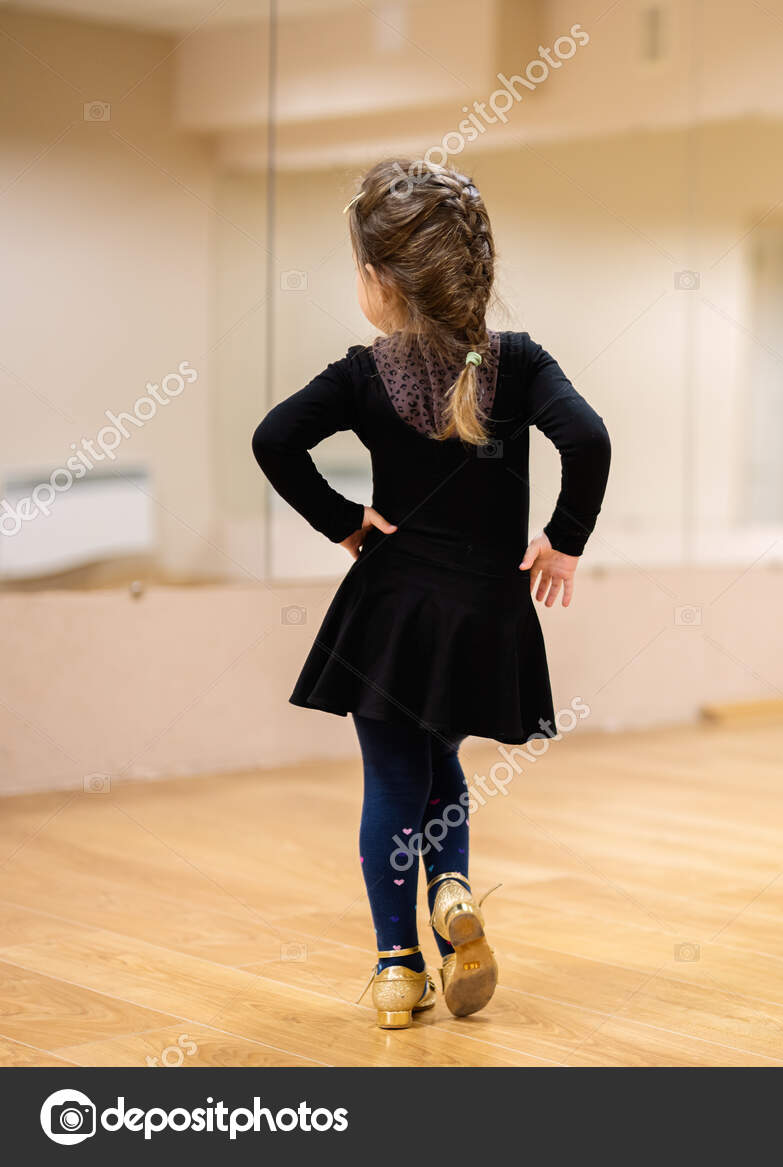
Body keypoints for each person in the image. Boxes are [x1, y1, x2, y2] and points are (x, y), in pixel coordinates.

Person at [252, 159, 611, 1028]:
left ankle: (397, 966)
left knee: (391, 776)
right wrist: (562, 541)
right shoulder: (518, 364)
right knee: (440, 761)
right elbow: (589, 439)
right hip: (485, 613)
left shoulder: (363, 374)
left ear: (378, 283)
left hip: (391, 610)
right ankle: (451, 892)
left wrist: (343, 521)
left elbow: (273, 441)